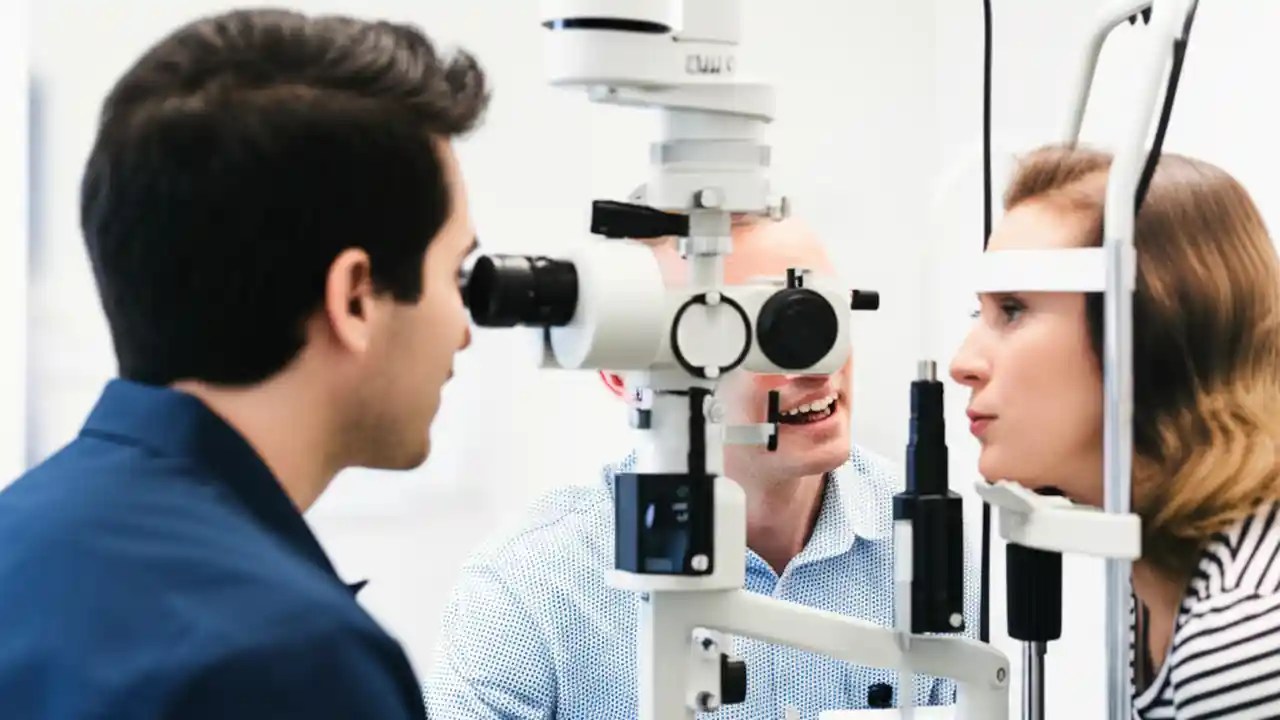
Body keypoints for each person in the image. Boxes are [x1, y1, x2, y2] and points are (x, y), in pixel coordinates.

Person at [0, 9, 487, 719]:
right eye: (457, 273)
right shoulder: (292, 660)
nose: (466, 331)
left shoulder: (19, 542)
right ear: (355, 297)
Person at [424, 217, 980, 718]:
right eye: (768, 331)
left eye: (823, 318)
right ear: (624, 376)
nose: (817, 365)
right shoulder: (531, 589)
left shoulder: (928, 541)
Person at [951, 144, 1280, 718]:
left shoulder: (1244, 632)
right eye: (980, 312)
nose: (963, 362)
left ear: (1150, 329)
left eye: (1014, 309)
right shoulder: (1158, 571)